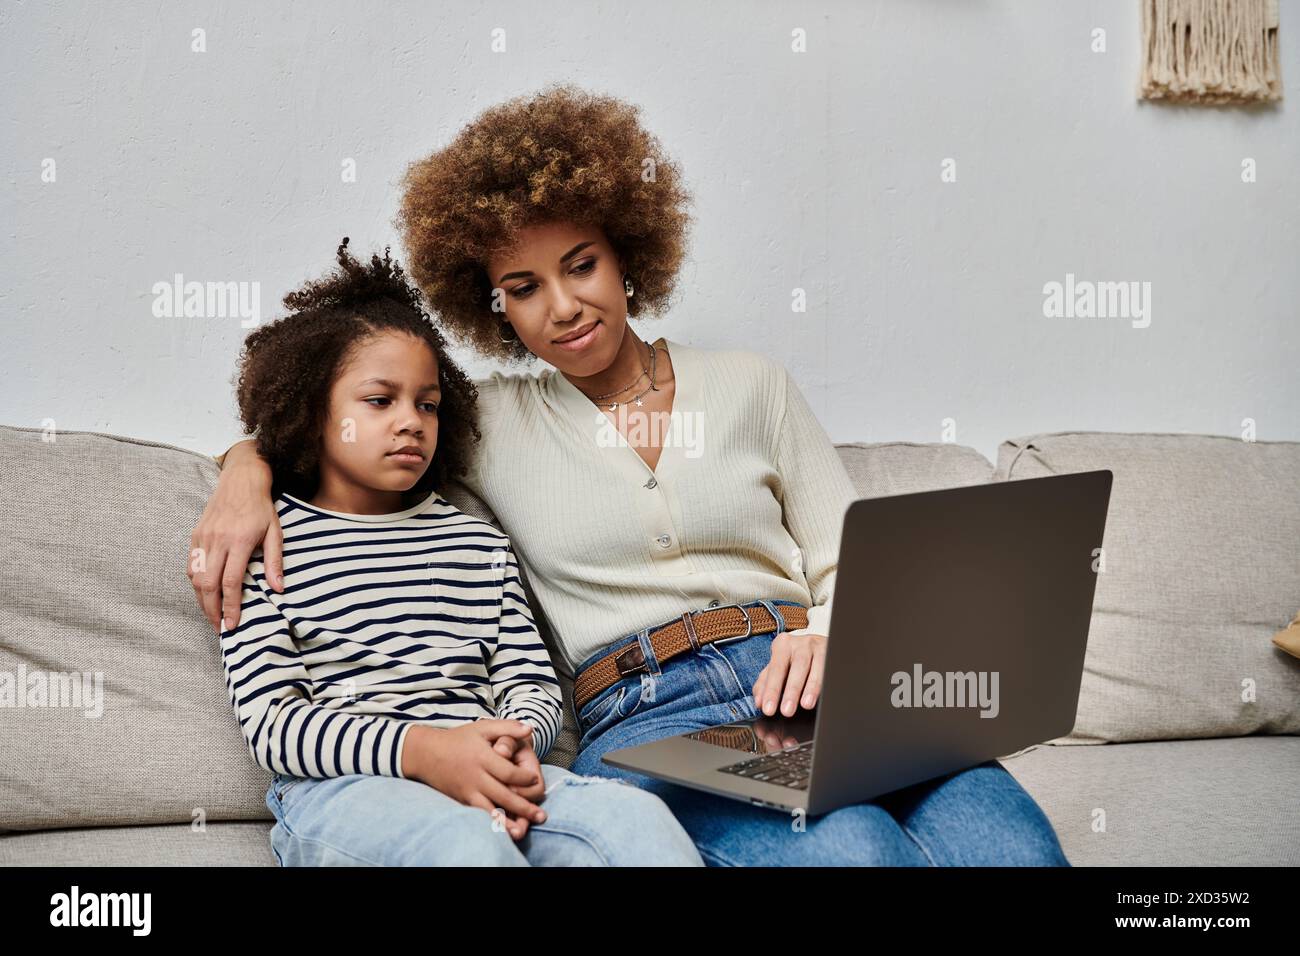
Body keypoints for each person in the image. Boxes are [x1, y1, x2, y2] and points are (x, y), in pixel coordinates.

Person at [193, 83, 1070, 866]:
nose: (564, 307)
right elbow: (346, 417)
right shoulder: (484, 423)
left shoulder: (752, 385)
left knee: (1014, 849)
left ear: (628, 254)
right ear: (491, 304)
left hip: (818, 675)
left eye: (582, 265)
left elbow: (852, 558)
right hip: (653, 714)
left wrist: (829, 634)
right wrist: (245, 468)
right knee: (855, 855)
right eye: (523, 286)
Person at [215, 237, 703, 866]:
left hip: (490, 768)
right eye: (378, 400)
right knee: (468, 846)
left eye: (428, 404)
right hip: (345, 792)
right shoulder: (265, 542)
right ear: (311, 413)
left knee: (633, 821)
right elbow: (273, 724)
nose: (411, 420)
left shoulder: (474, 541)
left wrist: (512, 740)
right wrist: (424, 751)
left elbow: (529, 677)